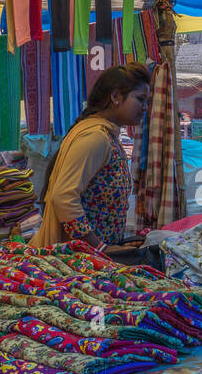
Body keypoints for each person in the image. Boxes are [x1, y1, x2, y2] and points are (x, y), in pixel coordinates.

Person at [33, 62, 150, 250]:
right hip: (79, 260)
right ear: (115, 97)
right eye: (140, 99)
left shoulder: (108, 135)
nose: (144, 108)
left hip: (94, 257)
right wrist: (99, 247)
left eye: (146, 102)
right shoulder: (96, 138)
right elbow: (63, 197)